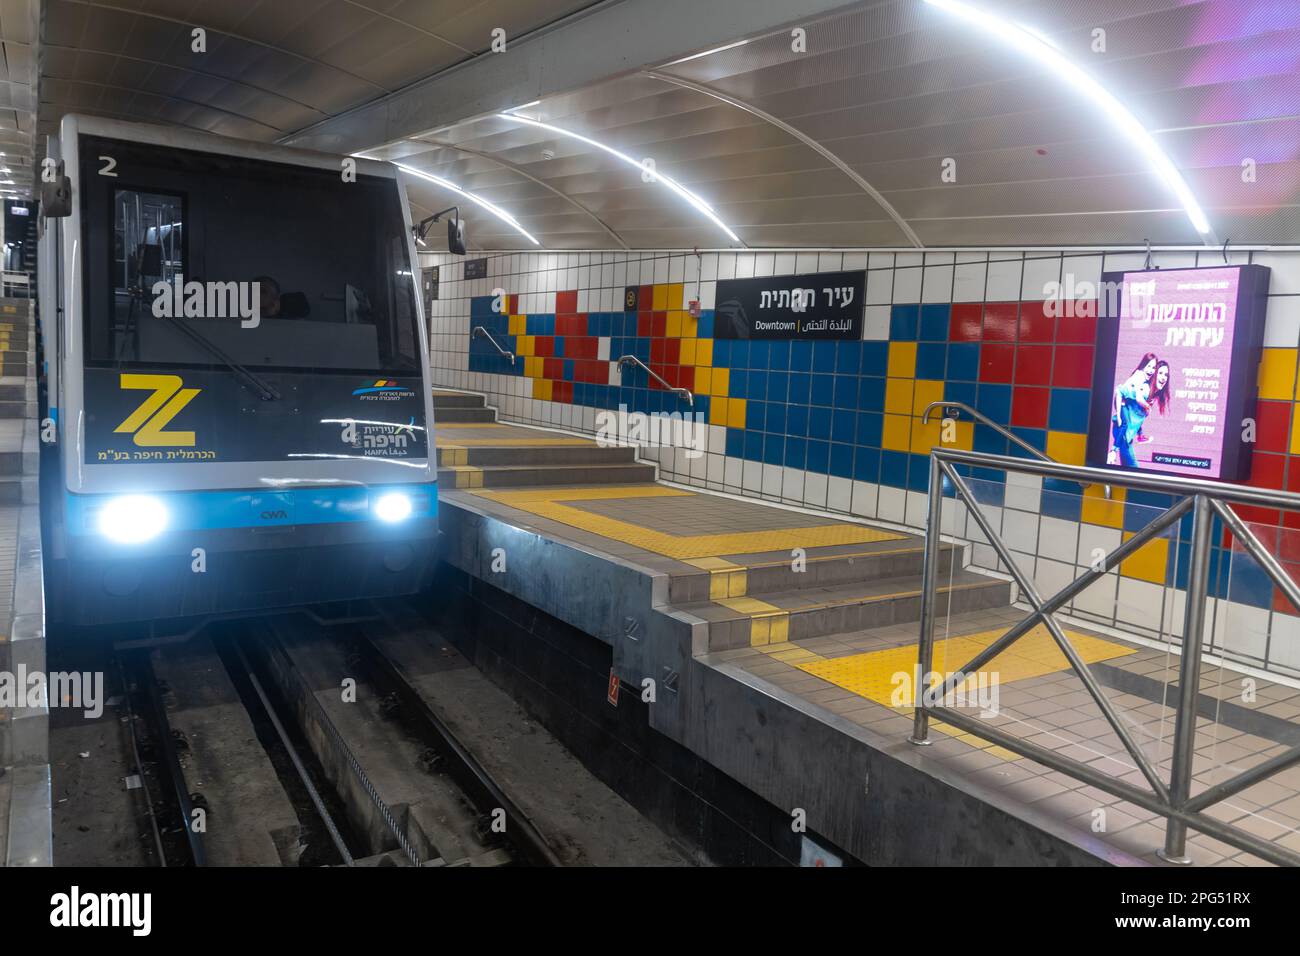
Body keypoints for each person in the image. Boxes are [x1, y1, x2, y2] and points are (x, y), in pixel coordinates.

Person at [1110, 353, 1157, 467]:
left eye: (1153, 367)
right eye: (1149, 366)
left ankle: (1140, 435)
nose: (1151, 370)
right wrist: (1147, 406)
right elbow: (1138, 398)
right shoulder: (1140, 376)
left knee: (1134, 418)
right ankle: (1113, 451)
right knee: (1124, 424)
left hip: (1125, 402)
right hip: (1121, 401)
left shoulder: (1145, 381)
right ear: (1143, 365)